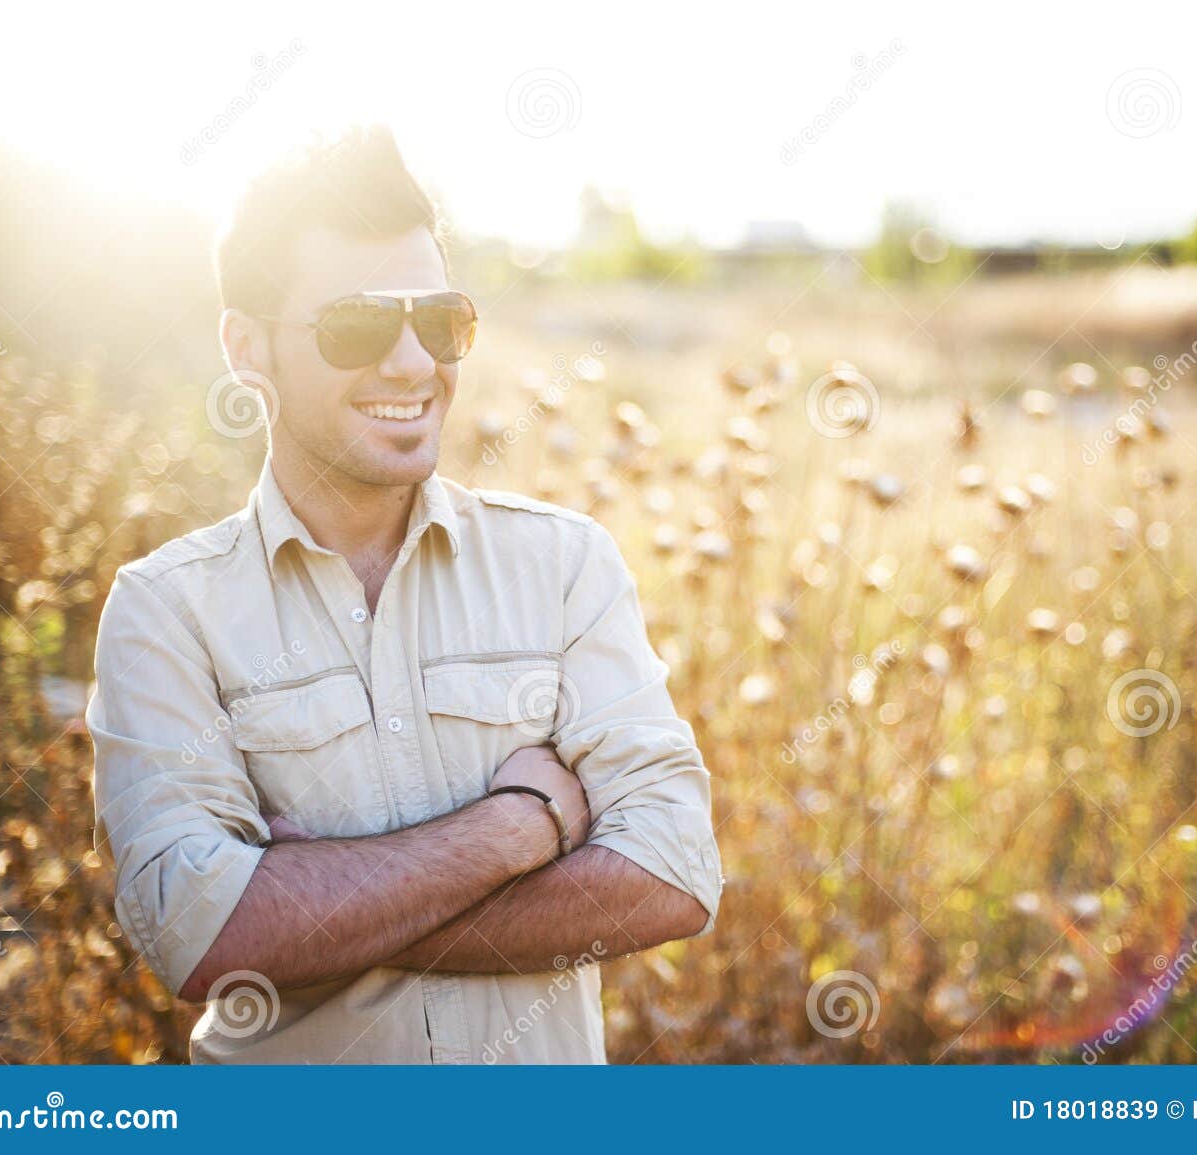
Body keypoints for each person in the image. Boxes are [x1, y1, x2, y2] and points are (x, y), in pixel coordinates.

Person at [87, 126, 721, 1063]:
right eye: (357, 324)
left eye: (439, 322)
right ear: (246, 345)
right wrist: (520, 825)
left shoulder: (565, 566)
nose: (414, 364)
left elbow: (673, 871)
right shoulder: (164, 611)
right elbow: (202, 933)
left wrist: (315, 919)